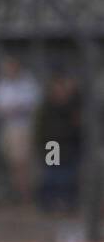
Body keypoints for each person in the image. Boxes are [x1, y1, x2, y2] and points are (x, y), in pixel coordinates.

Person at [0, 56, 40, 203]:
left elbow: (33, 103)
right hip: (8, 128)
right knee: (13, 162)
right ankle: (19, 193)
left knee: (23, 162)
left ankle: (27, 194)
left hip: (25, 127)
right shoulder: (2, 84)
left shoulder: (28, 82)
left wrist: (17, 108)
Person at [35, 71, 81, 214]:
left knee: (68, 176)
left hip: (68, 145)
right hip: (52, 145)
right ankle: (48, 205)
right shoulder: (47, 105)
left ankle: (68, 204)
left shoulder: (72, 105)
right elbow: (41, 129)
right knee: (52, 176)